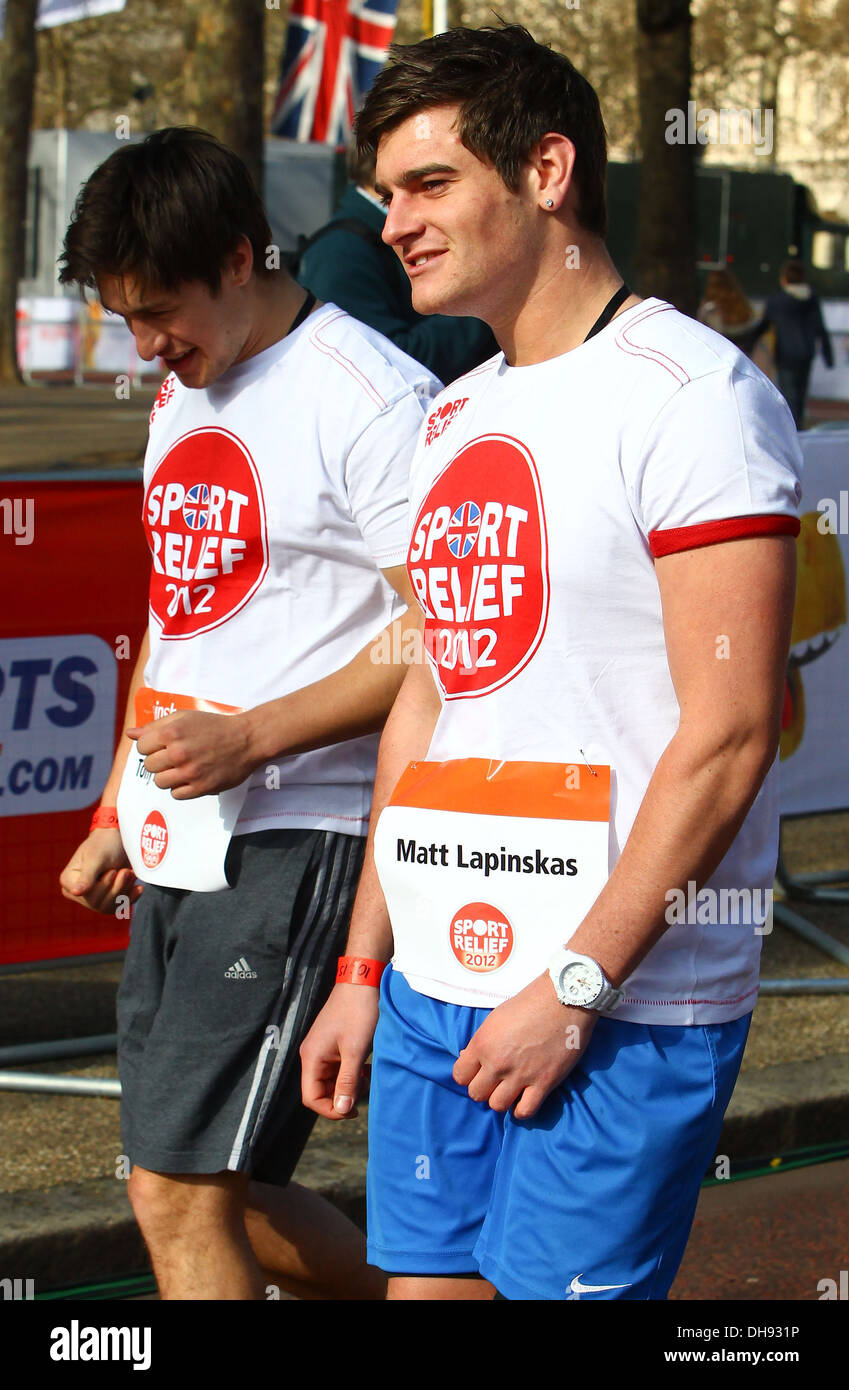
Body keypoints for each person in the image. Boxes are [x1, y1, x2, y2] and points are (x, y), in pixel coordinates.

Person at [300, 25, 802, 1301]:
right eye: (385, 194)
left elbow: (733, 729)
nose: (393, 222)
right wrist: (367, 964)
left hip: (618, 998)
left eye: (428, 185)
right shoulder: (456, 410)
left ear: (546, 170)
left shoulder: (692, 395)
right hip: (433, 978)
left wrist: (576, 982)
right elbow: (430, 698)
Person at [57, 126, 440, 1301]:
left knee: (175, 1189)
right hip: (182, 836)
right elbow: (179, 615)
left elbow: (443, 630)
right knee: (219, 1186)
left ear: (240, 256)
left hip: (303, 834)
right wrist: (120, 800)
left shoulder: (372, 396)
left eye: (161, 310)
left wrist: (257, 736)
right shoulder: (186, 394)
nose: (148, 347)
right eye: (126, 319)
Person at [296, 141, 497, 384]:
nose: (395, 232)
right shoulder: (338, 251)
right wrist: (490, 307)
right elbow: (385, 365)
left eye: (434, 185)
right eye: (432, 183)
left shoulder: (358, 238)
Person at [751, 259, 834, 427]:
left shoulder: (777, 300)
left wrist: (747, 343)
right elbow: (820, 328)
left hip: (786, 354)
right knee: (801, 396)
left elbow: (763, 326)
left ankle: (793, 431)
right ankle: (799, 428)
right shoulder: (812, 299)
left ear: (784, 279)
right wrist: (828, 355)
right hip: (806, 353)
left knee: (789, 397)